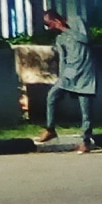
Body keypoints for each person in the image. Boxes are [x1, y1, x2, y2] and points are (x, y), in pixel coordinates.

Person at [38, 8, 96, 153]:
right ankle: (50, 129)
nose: (50, 28)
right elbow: (63, 59)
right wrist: (62, 77)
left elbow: (85, 39)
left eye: (50, 24)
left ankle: (85, 141)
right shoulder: (60, 38)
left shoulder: (77, 21)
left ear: (57, 20)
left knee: (86, 111)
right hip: (69, 74)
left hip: (85, 74)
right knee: (51, 96)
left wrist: (64, 28)